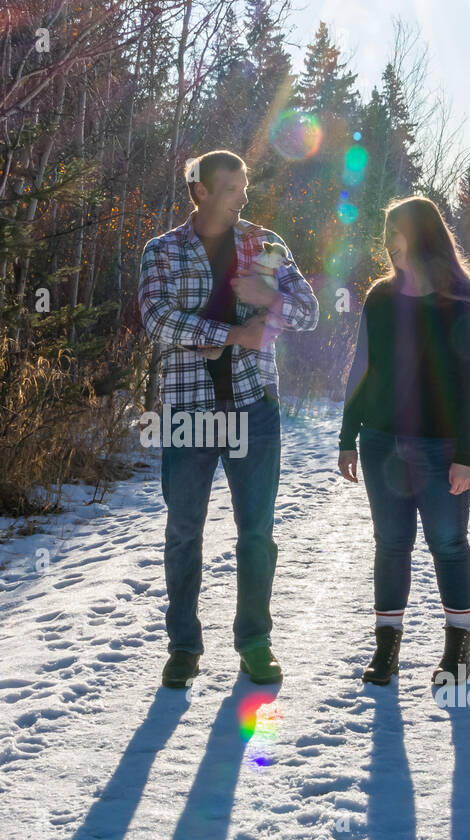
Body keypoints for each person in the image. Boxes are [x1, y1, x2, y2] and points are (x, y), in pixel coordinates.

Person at [138, 150, 319, 689]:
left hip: (253, 409)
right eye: (232, 188)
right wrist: (231, 335)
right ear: (201, 193)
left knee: (256, 533)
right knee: (183, 531)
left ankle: (255, 643)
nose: (243, 196)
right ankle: (183, 648)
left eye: (245, 186)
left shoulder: (265, 244)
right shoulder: (163, 251)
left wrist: (270, 297)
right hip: (187, 411)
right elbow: (156, 318)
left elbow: (308, 311)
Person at [337, 196, 470, 689]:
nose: (388, 245)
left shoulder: (464, 303)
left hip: (440, 447)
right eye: (385, 235)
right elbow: (361, 367)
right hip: (382, 441)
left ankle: (458, 652)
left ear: (423, 235)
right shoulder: (381, 297)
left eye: (396, 233)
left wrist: (466, 456)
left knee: (448, 544)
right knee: (390, 545)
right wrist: (348, 436)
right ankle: (386, 649)